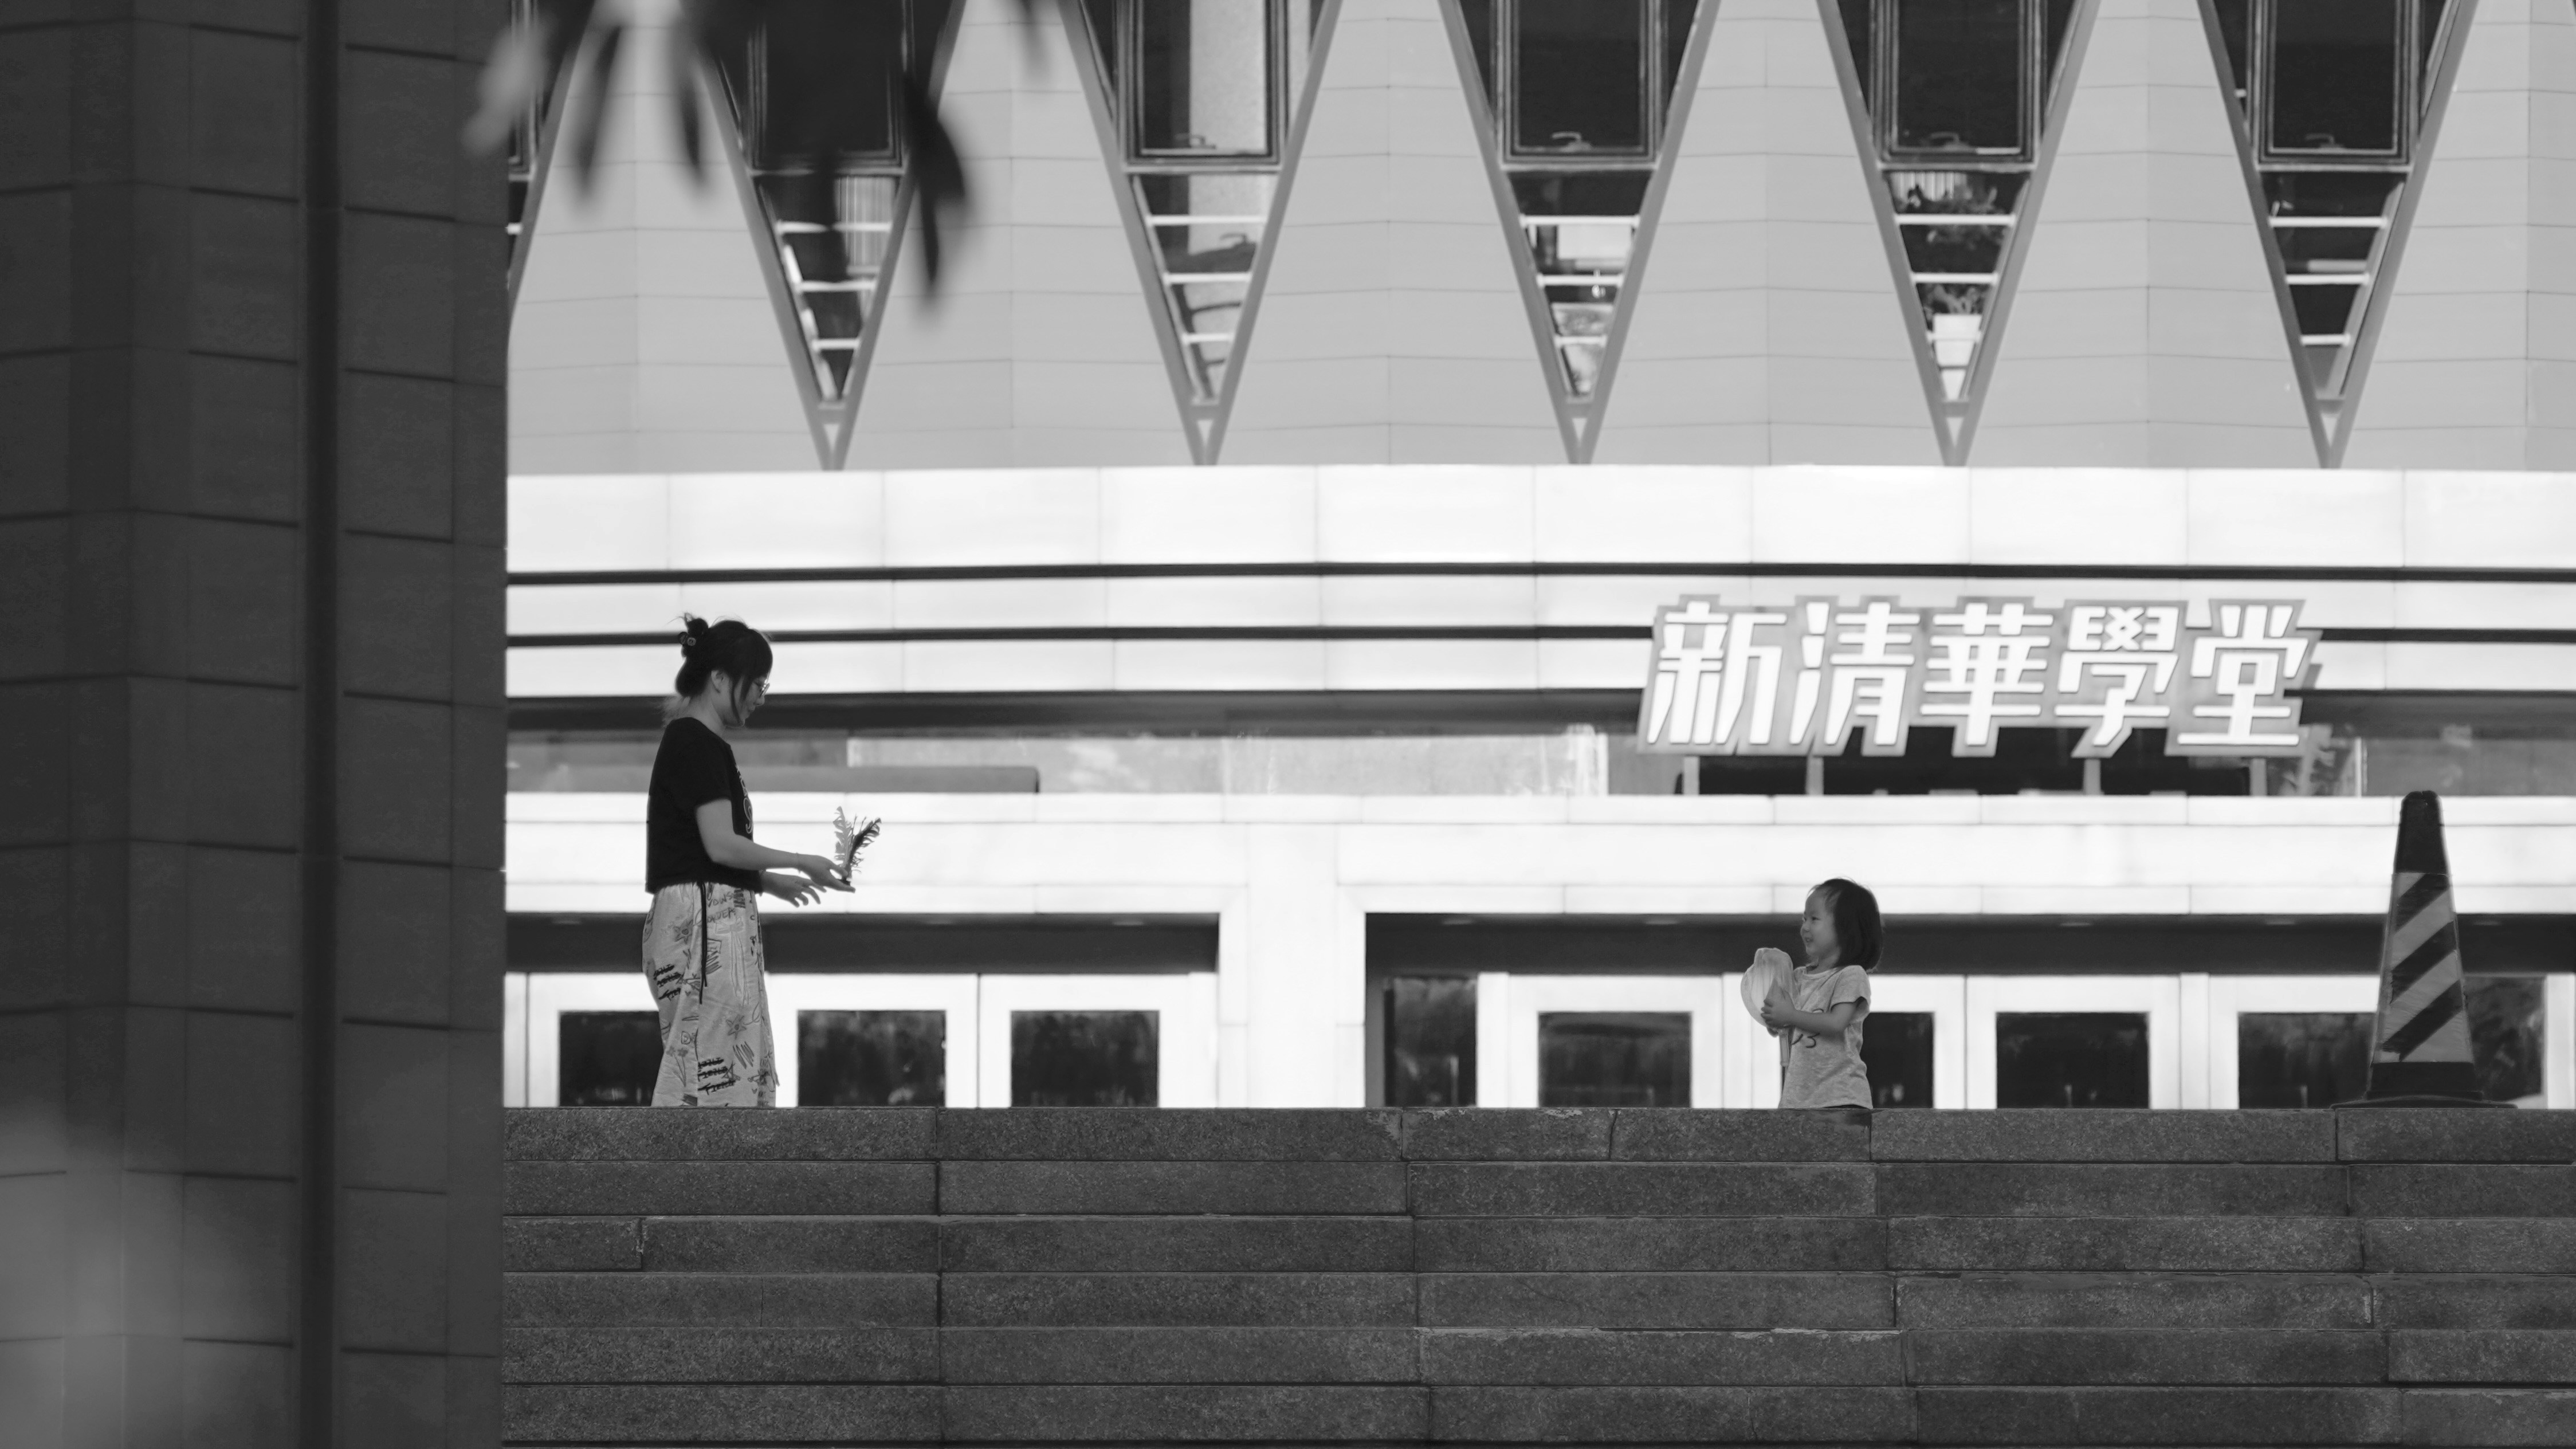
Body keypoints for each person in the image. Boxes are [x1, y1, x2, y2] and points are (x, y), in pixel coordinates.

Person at [642, 616, 849, 1106]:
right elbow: (720, 844)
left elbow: (702, 849)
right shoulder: (695, 741)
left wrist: (765, 880)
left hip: (699, 912)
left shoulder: (693, 740)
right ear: (718, 678)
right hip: (705, 920)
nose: (761, 696)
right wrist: (800, 861)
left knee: (704, 1067)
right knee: (716, 1077)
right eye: (757, 683)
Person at [1757, 878, 1881, 1109]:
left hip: (1841, 1100)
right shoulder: (1798, 977)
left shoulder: (1851, 975)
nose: (1804, 927)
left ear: (1846, 929)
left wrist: (1790, 1015)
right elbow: (1780, 1027)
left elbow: (1837, 1022)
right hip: (1800, 1101)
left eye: (1814, 919)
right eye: (1804, 919)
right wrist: (1773, 997)